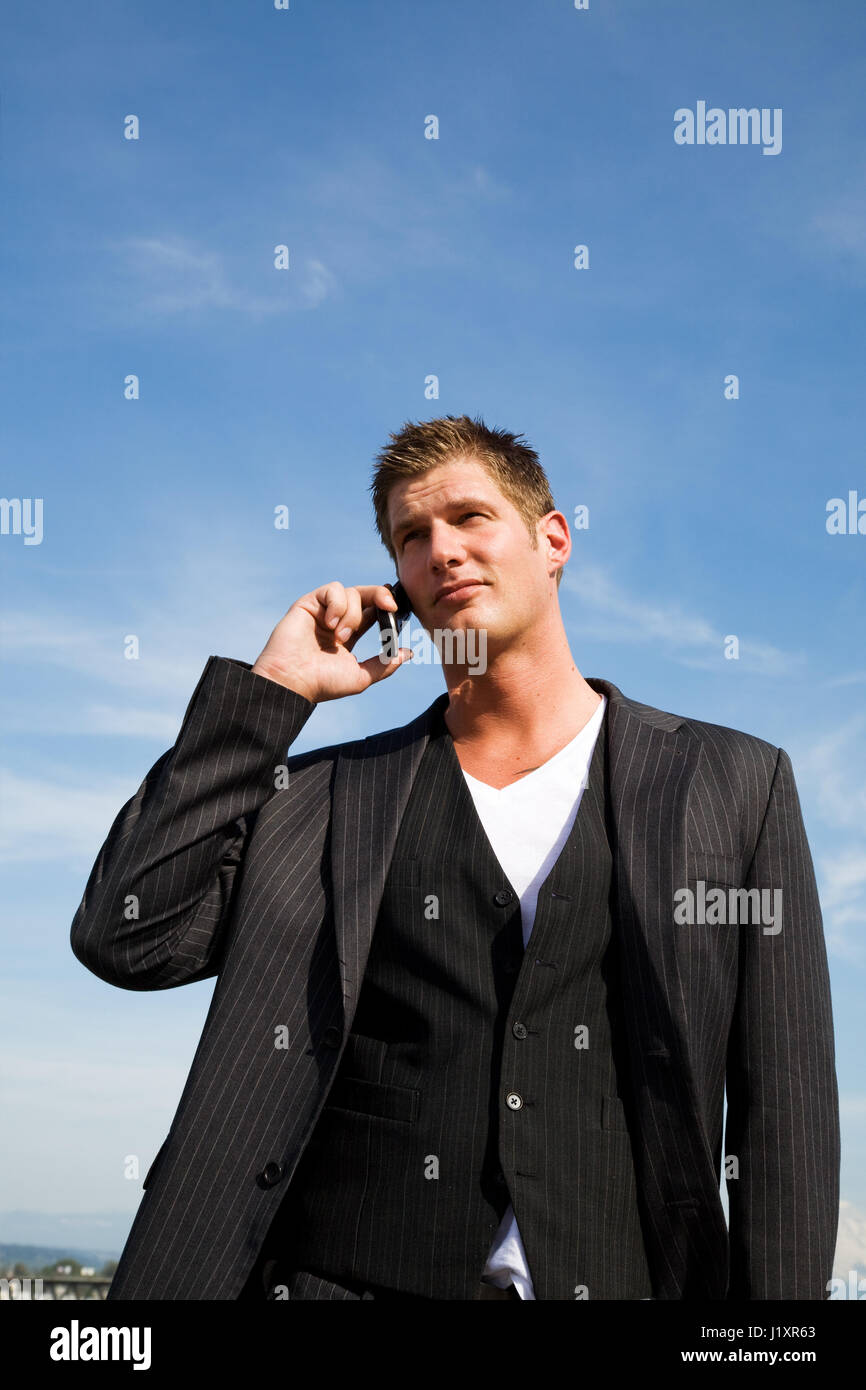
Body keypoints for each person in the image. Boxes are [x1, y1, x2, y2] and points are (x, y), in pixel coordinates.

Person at [70, 415, 840, 1300]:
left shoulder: (733, 786)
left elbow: (786, 1115)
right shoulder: (319, 800)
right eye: (411, 536)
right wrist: (271, 696)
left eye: (471, 518)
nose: (441, 550)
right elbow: (127, 935)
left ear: (553, 541)